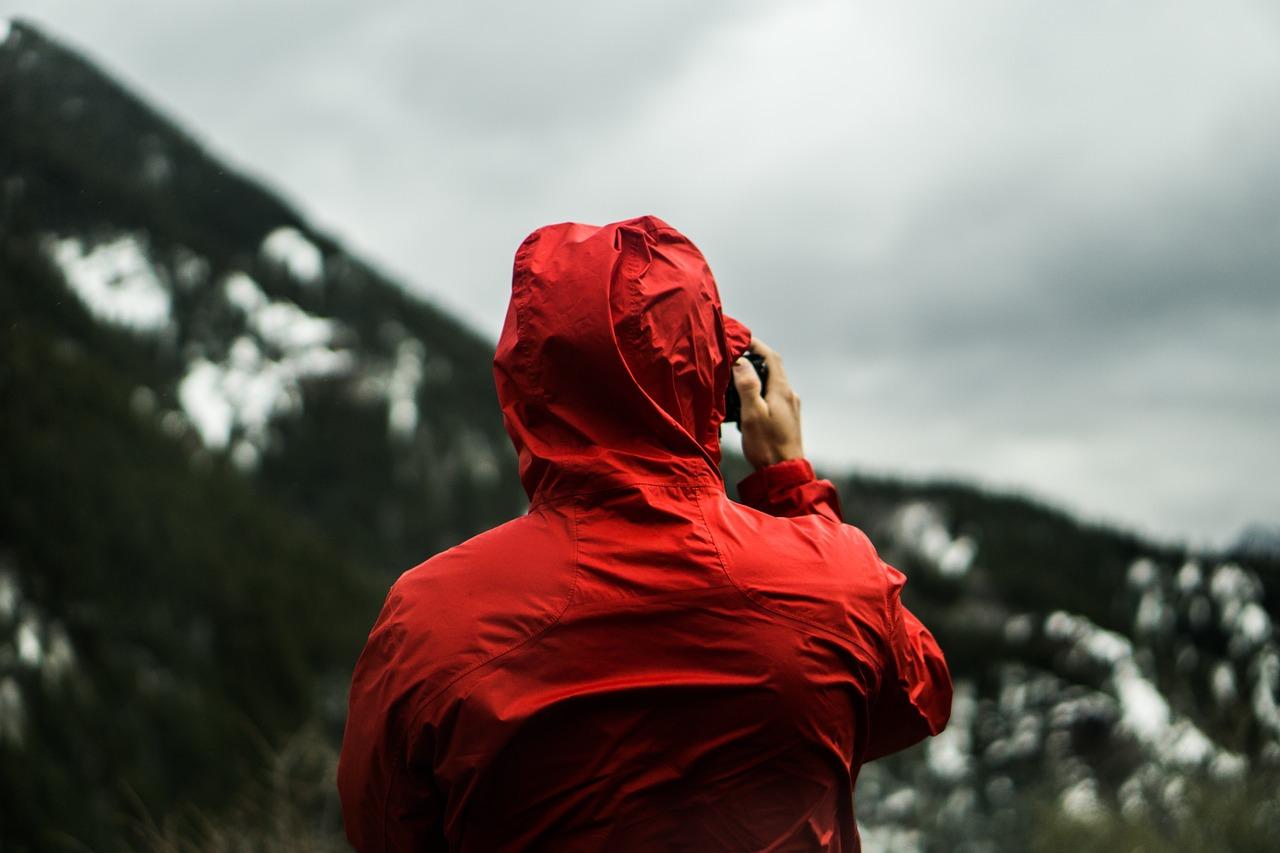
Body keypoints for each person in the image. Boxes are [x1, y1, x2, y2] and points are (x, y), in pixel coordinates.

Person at [337, 215, 952, 852]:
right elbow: (918, 698)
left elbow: (381, 829)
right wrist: (790, 484)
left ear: (523, 378)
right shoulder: (835, 580)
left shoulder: (430, 619)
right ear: (710, 384)